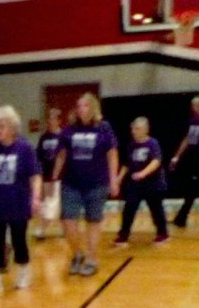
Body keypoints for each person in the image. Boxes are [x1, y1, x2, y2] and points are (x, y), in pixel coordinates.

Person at [52, 92, 119, 276]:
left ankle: (92, 258)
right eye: (79, 106)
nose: (82, 109)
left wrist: (113, 179)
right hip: (72, 183)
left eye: (86, 106)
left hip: (97, 183)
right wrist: (54, 176)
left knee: (93, 221)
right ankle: (78, 253)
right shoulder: (70, 129)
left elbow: (112, 153)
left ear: (93, 107)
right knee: (67, 220)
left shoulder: (103, 128)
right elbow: (62, 154)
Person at [0, 105, 42, 295]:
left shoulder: (25, 148)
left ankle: (23, 268)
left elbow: (35, 175)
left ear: (13, 128)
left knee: (18, 239)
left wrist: (36, 197)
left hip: (18, 203)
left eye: (2, 126)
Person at [113, 117, 169, 246]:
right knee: (129, 208)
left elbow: (156, 161)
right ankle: (123, 235)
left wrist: (143, 174)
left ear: (145, 130)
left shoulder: (152, 143)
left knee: (156, 209)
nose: (133, 131)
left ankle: (162, 233)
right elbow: (126, 164)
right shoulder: (131, 145)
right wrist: (119, 178)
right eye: (132, 129)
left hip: (153, 183)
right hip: (135, 185)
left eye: (137, 129)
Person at [169, 95, 199, 227]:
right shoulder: (193, 121)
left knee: (192, 190)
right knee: (191, 190)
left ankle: (180, 218)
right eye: (193, 106)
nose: (194, 109)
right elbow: (188, 139)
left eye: (197, 106)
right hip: (194, 160)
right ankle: (180, 219)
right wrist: (176, 157)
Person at [34, 107, 63, 239]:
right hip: (45, 175)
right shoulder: (44, 137)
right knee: (47, 201)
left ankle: (42, 229)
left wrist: (55, 176)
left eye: (53, 118)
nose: (50, 121)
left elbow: (64, 157)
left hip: (59, 176)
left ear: (58, 120)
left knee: (55, 202)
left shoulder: (63, 136)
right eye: (48, 118)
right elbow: (38, 157)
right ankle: (57, 227)